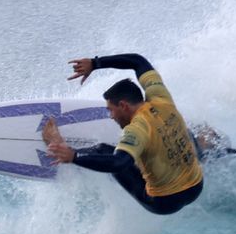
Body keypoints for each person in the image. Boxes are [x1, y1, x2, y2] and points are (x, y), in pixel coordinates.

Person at [44, 53, 204, 215]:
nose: (111, 116)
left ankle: (68, 151)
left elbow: (118, 163)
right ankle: (204, 146)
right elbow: (137, 61)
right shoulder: (161, 97)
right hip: (196, 186)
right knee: (178, 130)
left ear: (123, 106)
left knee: (104, 151)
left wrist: (73, 156)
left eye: (111, 110)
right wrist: (95, 63)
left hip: (165, 202)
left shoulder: (137, 128)